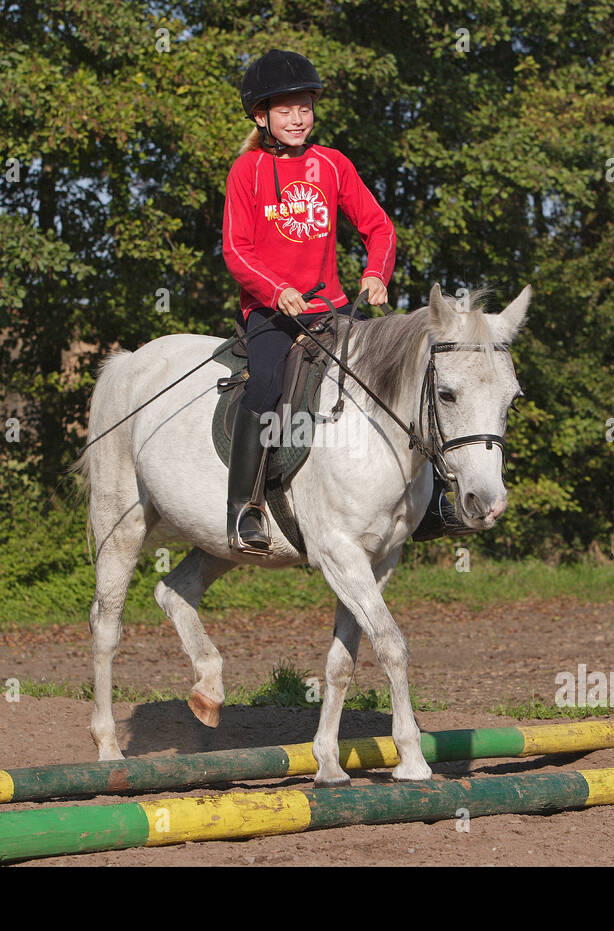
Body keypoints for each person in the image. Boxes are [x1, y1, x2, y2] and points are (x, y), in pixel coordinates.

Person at [221, 49, 396, 553]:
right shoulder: (246, 172)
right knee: (267, 384)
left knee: (386, 377)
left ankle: (421, 498)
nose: (298, 119)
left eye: (305, 108)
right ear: (262, 117)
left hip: (332, 308)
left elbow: (379, 227)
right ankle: (244, 510)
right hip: (270, 313)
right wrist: (276, 291)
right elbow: (236, 250)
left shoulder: (333, 165)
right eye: (285, 110)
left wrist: (375, 273)